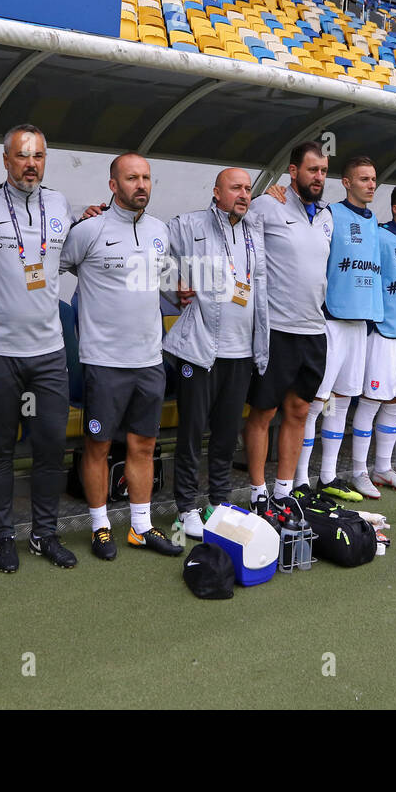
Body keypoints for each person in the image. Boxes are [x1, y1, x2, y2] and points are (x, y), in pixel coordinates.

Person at [0, 125, 77, 572]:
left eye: (39, 156)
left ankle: (44, 534)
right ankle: (3, 537)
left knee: (50, 446)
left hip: (49, 350)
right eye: (22, 156)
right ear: (5, 160)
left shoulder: (60, 204)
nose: (31, 164)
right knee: (0, 448)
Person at [60, 154, 182, 560]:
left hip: (149, 360)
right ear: (113, 185)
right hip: (103, 362)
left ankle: (141, 527)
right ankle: (100, 527)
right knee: (97, 446)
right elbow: (50, 266)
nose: (141, 185)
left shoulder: (160, 230)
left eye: (146, 177)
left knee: (144, 445)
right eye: (132, 178)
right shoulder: (89, 230)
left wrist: (180, 291)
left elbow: (164, 283)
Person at [165, 169, 268, 538]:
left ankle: (219, 502)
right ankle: (186, 508)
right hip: (200, 350)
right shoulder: (189, 224)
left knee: (226, 435)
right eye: (235, 187)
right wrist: (170, 282)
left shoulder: (253, 229)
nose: (243, 193)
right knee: (192, 434)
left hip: (241, 353)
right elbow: (149, 247)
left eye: (247, 188)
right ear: (216, 192)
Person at [243, 143, 333, 524]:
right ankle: (258, 492)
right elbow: (233, 234)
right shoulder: (267, 205)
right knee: (264, 410)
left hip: (314, 330)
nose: (318, 177)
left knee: (299, 410)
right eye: (312, 170)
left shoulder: (328, 216)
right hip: (276, 330)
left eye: (324, 171)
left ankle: (284, 490)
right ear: (293, 172)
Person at [289, 158, 384, 501]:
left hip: (359, 322)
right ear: (346, 182)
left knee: (341, 401)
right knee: (316, 402)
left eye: (373, 179)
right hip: (331, 320)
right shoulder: (328, 213)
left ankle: (327, 475)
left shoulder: (375, 221)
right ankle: (299, 479)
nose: (371, 185)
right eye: (364, 179)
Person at [348, 183, 396, 492]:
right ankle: (358, 472)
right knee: (370, 403)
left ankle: (384, 468)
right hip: (383, 333)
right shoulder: (379, 236)